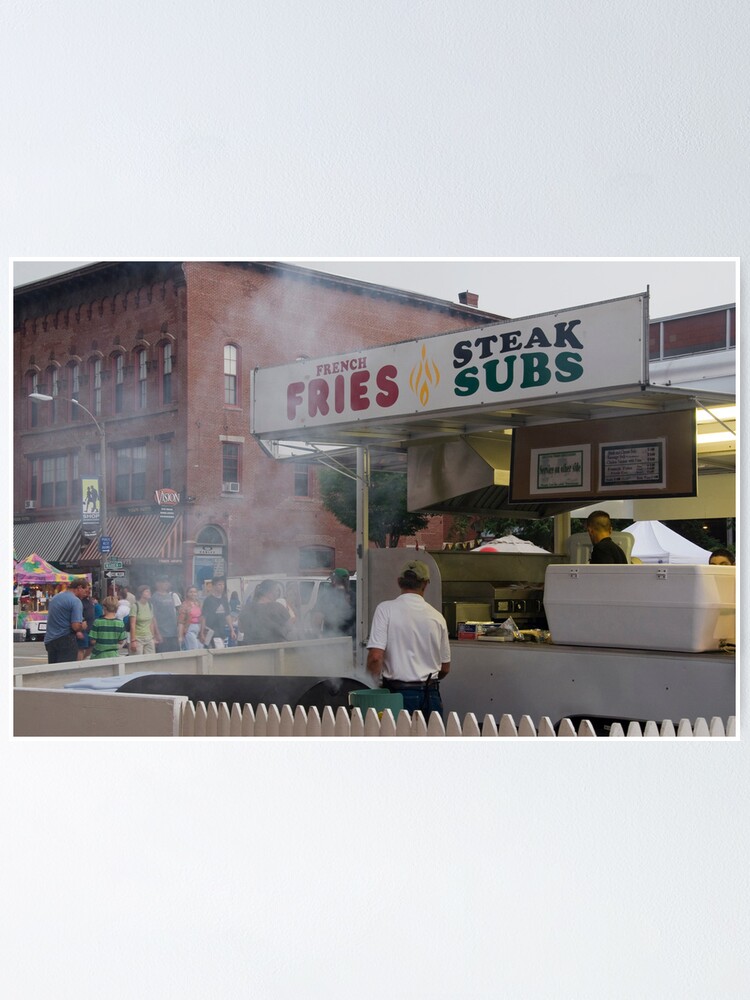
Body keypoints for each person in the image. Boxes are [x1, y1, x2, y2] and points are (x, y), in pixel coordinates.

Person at [366, 559, 450, 720]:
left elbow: (375, 657)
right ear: (425, 584)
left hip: (397, 695)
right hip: (430, 694)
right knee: (429, 736)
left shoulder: (385, 610)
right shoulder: (437, 617)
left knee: (397, 736)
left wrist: (372, 684)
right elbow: (445, 668)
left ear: (399, 581)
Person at [43, 577, 91, 664]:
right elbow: (75, 626)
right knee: (66, 669)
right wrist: (82, 626)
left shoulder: (55, 598)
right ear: (79, 588)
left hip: (50, 639)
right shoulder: (75, 601)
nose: (86, 594)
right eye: (85, 590)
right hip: (65, 639)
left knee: (53, 668)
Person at [239, 579, 293, 645]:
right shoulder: (278, 607)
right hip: (275, 649)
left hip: (251, 649)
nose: (278, 593)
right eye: (276, 590)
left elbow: (241, 629)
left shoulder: (246, 608)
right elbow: (289, 627)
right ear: (270, 592)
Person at [312, 568, 356, 638]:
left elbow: (317, 618)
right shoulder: (355, 597)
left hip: (331, 639)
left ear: (334, 581)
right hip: (351, 639)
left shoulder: (326, 597)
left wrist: (318, 635)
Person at [199, 575, 236, 648]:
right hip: (211, 632)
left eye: (223, 584)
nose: (222, 586)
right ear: (214, 586)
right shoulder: (208, 600)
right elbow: (203, 617)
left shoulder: (224, 599)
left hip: (222, 631)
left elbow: (227, 615)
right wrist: (202, 632)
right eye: (219, 584)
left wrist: (232, 630)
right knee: (218, 649)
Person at [129, 584, 161, 656]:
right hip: (138, 638)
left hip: (149, 638)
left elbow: (151, 623)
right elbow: (132, 625)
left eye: (149, 591)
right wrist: (133, 641)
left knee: (151, 659)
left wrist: (153, 637)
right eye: (146, 591)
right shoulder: (135, 606)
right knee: (138, 659)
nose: (149, 593)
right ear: (141, 593)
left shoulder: (150, 606)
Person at [152, 574, 181, 653]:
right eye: (164, 582)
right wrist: (157, 633)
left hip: (173, 633)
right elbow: (153, 617)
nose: (166, 584)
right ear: (158, 584)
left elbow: (177, 612)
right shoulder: (154, 597)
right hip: (162, 633)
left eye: (167, 582)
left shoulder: (171, 595)